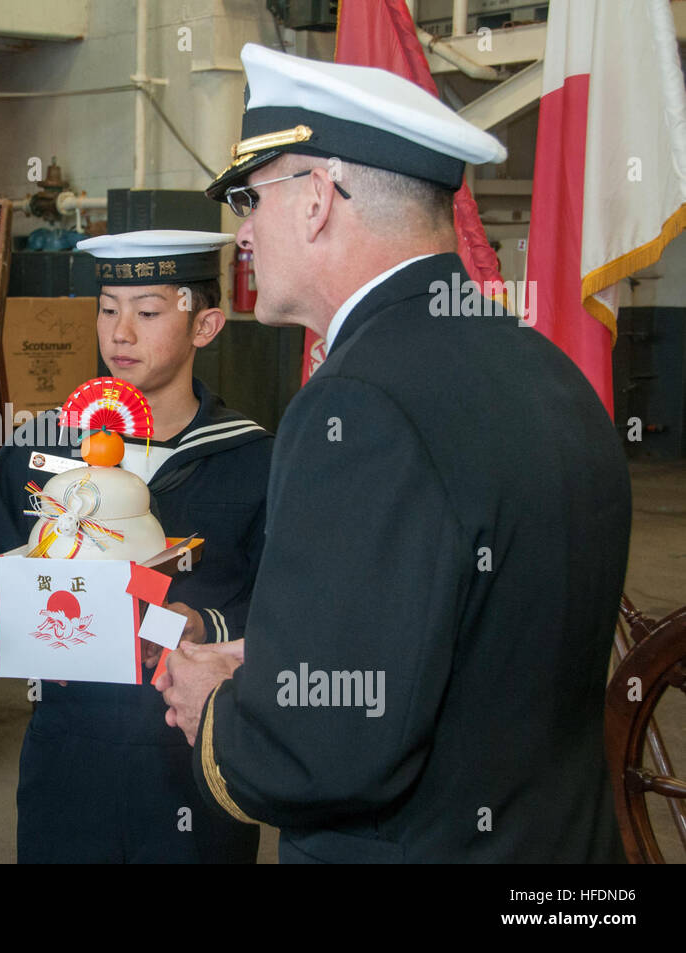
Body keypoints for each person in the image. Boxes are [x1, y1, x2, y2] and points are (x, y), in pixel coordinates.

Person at [158, 44, 632, 863]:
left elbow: (322, 753)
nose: (240, 229)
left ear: (314, 198)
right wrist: (290, 665)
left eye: (247, 196)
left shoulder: (359, 403)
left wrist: (220, 708)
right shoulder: (545, 368)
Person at [0, 230, 274, 863]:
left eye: (148, 312)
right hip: (66, 747)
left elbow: (292, 611)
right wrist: (22, 611)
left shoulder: (254, 460)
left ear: (205, 324)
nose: (119, 333)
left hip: (195, 752)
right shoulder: (40, 454)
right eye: (107, 308)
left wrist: (200, 625)